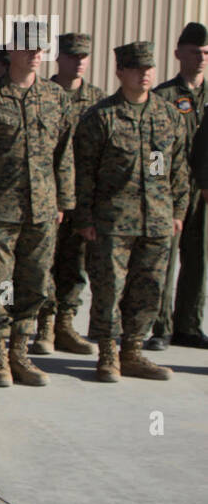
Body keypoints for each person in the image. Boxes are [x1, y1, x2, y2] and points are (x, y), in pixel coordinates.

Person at [74, 41, 188, 381]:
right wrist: (84, 217)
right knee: (109, 288)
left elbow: (178, 169)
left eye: (149, 68)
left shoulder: (167, 115)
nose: (145, 74)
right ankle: (108, 353)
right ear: (120, 71)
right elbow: (83, 172)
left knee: (149, 287)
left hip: (156, 221)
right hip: (112, 222)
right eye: (137, 68)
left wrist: (178, 210)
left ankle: (133, 350)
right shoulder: (101, 117)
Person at [0, 28, 74, 385]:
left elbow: (64, 154)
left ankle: (21, 353)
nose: (35, 55)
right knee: (1, 283)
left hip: (43, 208)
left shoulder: (55, 97)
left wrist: (64, 201)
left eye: (40, 49)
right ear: (11, 51)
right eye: (28, 48)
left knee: (35, 283)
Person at [31, 32, 104, 355]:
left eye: (84, 57)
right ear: (59, 59)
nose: (79, 62)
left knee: (75, 264)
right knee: (45, 262)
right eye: (73, 56)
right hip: (48, 194)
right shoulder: (43, 94)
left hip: (84, 195)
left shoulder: (99, 101)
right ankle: (44, 325)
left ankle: (66, 324)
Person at [148, 22, 208, 349]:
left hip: (203, 189)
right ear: (178, 53)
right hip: (171, 191)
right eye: (194, 52)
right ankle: (161, 327)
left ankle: (189, 325)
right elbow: (156, 148)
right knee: (165, 261)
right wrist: (159, 187)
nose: (200, 58)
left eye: (206, 53)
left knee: (198, 260)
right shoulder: (164, 97)